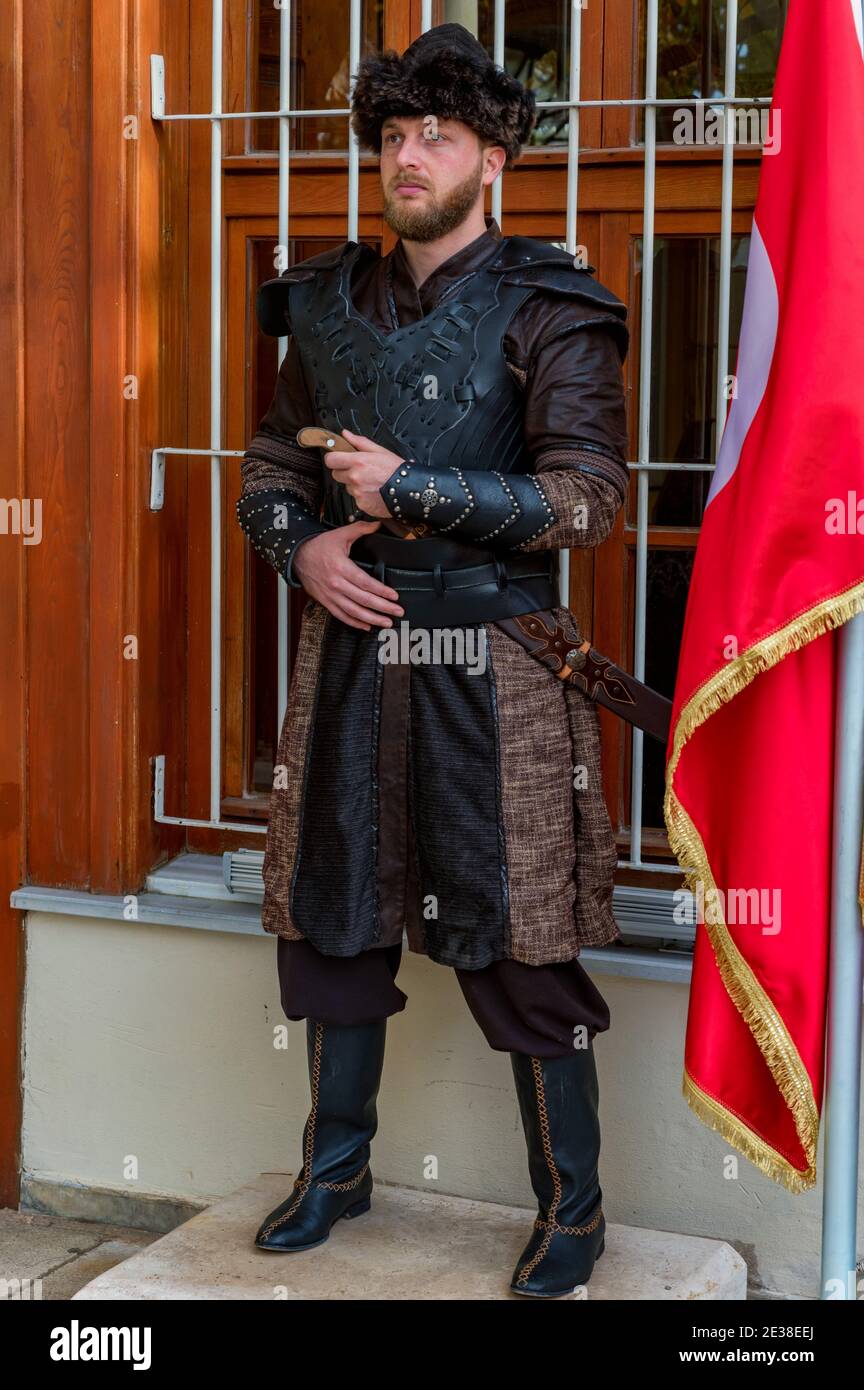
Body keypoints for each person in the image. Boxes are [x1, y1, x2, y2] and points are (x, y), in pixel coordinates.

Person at [235, 22, 630, 1298]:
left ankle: (575, 1209)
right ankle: (336, 1168)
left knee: (523, 932)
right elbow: (270, 473)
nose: (410, 157)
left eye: (438, 136)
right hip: (351, 649)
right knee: (338, 918)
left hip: (496, 659)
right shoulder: (325, 300)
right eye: (395, 135)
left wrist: (416, 488)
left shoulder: (552, 305)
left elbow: (587, 500)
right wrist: (301, 553)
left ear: (494, 158)